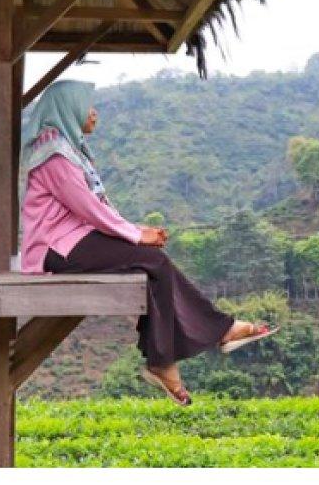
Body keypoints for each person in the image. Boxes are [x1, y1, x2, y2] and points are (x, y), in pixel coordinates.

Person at [17, 79, 276, 405]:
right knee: (152, 261)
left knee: (151, 263)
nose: (94, 114)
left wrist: (133, 230)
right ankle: (196, 342)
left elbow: (94, 207)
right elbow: (87, 206)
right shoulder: (54, 154)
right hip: (55, 249)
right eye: (88, 107)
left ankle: (167, 358)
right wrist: (135, 234)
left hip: (74, 239)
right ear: (69, 108)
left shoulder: (68, 148)